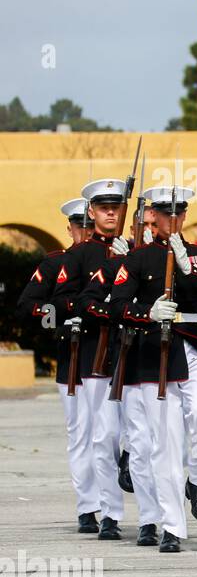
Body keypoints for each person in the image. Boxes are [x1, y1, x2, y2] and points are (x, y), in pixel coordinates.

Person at [108, 185, 197, 552]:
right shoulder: (139, 259)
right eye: (165, 214)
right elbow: (115, 305)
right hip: (154, 353)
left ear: (185, 217)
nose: (172, 220)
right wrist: (146, 314)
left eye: (178, 214)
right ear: (154, 216)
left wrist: (186, 267)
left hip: (192, 346)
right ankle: (172, 528)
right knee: (164, 443)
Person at [51, 178, 131, 540]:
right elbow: (64, 298)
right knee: (98, 436)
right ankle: (101, 510)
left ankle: (151, 513)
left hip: (135, 353)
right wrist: (100, 308)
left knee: (135, 436)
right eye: (104, 207)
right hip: (94, 355)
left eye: (117, 206)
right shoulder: (78, 256)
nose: (111, 212)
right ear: (93, 212)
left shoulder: (137, 250)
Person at [16, 198, 100, 532]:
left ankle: (110, 504)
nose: (85, 233)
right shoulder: (55, 265)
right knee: (81, 434)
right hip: (74, 357)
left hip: (112, 358)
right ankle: (88, 507)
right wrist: (63, 309)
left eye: (90, 227)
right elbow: (27, 307)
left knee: (113, 435)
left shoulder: (118, 260)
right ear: (70, 229)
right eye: (80, 227)